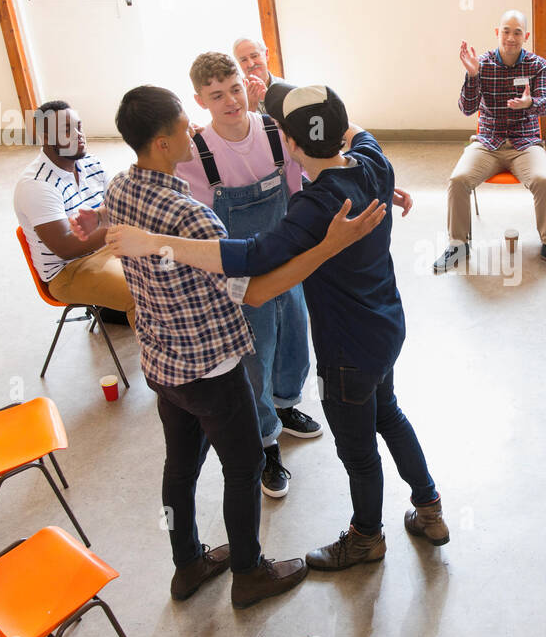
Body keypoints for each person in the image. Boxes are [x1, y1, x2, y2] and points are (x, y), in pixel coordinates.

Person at [106, 83, 449, 573]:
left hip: (345, 353)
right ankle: (430, 508)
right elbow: (352, 130)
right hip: (386, 328)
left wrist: (154, 241)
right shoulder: (374, 160)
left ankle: (366, 537)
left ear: (287, 142)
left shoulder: (314, 207)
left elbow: (251, 258)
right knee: (388, 414)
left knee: (358, 451)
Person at [177, 51, 321, 501]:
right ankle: (265, 442)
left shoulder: (277, 134)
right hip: (239, 274)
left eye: (235, 88)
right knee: (254, 357)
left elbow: (299, 189)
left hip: (285, 259)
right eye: (217, 95)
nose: (230, 101)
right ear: (200, 100)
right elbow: (198, 224)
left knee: (295, 337)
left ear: (248, 83)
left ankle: (287, 406)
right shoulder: (196, 154)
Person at [438, 9, 546, 275]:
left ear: (525, 36)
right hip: (488, 142)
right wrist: (472, 76)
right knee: (457, 181)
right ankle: (458, 245)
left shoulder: (538, 65)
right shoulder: (483, 64)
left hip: (525, 143)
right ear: (497, 33)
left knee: (542, 180)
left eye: (516, 32)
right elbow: (467, 109)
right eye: (506, 31)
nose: (510, 37)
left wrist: (530, 103)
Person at [13, 100, 135, 327]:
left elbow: (118, 205)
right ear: (46, 137)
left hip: (107, 248)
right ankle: (163, 360)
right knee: (142, 293)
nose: (79, 135)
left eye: (79, 126)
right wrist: (120, 218)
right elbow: (66, 248)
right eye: (67, 130)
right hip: (69, 271)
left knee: (171, 266)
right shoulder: (37, 185)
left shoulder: (90, 163)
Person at [232, 35, 278, 111]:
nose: (250, 64)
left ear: (266, 54)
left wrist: (270, 100)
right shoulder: (234, 98)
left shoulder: (287, 90)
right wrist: (250, 107)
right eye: (243, 60)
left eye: (254, 56)